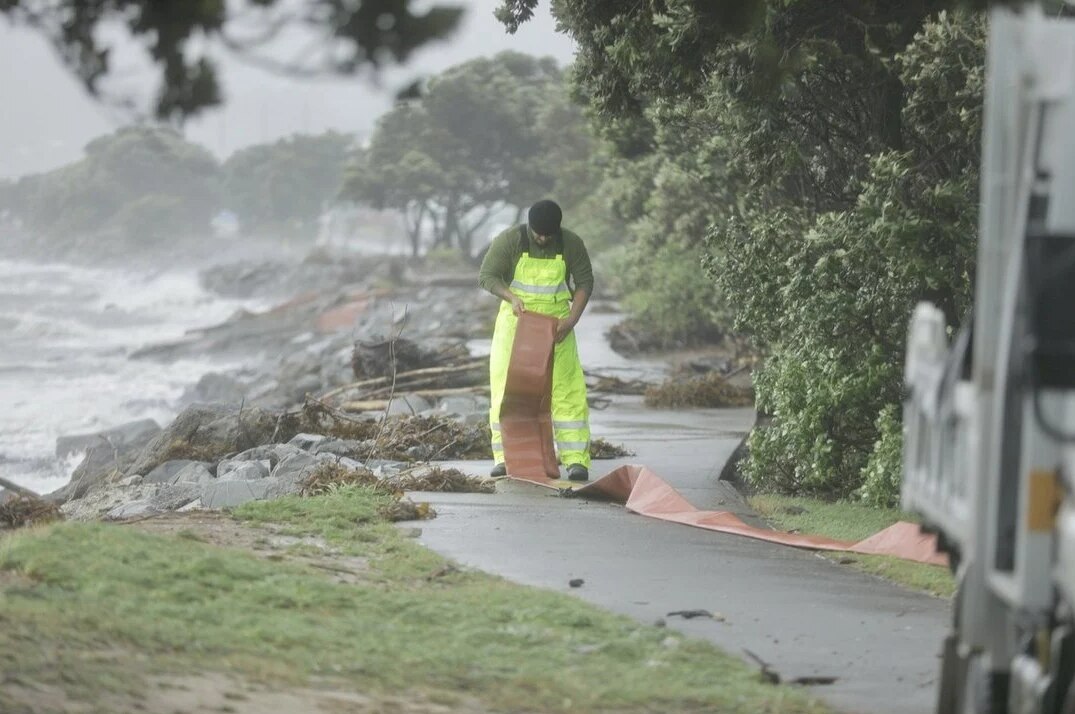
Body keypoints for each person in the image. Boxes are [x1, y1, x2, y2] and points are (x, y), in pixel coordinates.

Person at [478, 199, 593, 481]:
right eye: (539, 234)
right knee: (505, 390)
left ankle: (576, 460)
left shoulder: (571, 244)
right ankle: (506, 458)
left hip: (557, 327)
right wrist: (512, 298)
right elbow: (487, 276)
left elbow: (585, 283)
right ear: (530, 227)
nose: (543, 239)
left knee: (567, 389)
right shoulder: (510, 241)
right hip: (517, 322)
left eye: (548, 235)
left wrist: (571, 320)